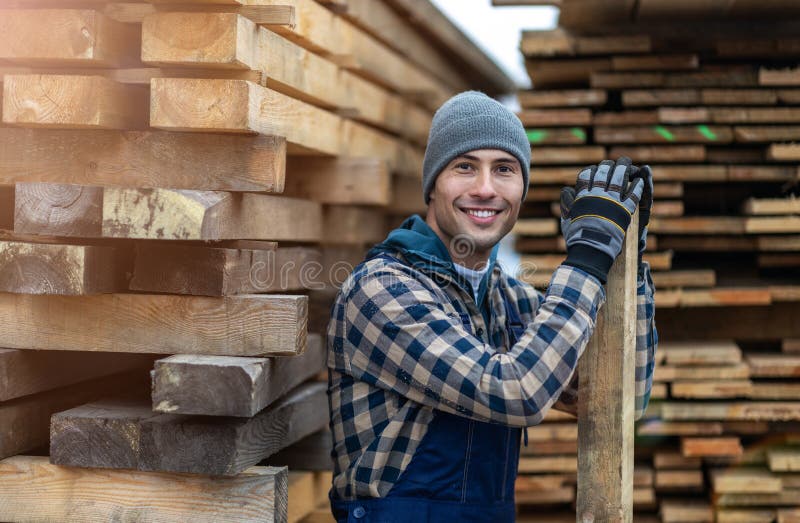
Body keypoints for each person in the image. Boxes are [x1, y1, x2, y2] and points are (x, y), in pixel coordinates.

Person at [327, 91, 657, 522]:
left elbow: (620, 397)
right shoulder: (381, 292)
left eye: (504, 169)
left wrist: (623, 265)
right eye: (465, 167)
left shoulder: (506, 299)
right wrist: (587, 261)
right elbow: (515, 392)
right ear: (433, 184)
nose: (485, 189)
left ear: (521, 188)